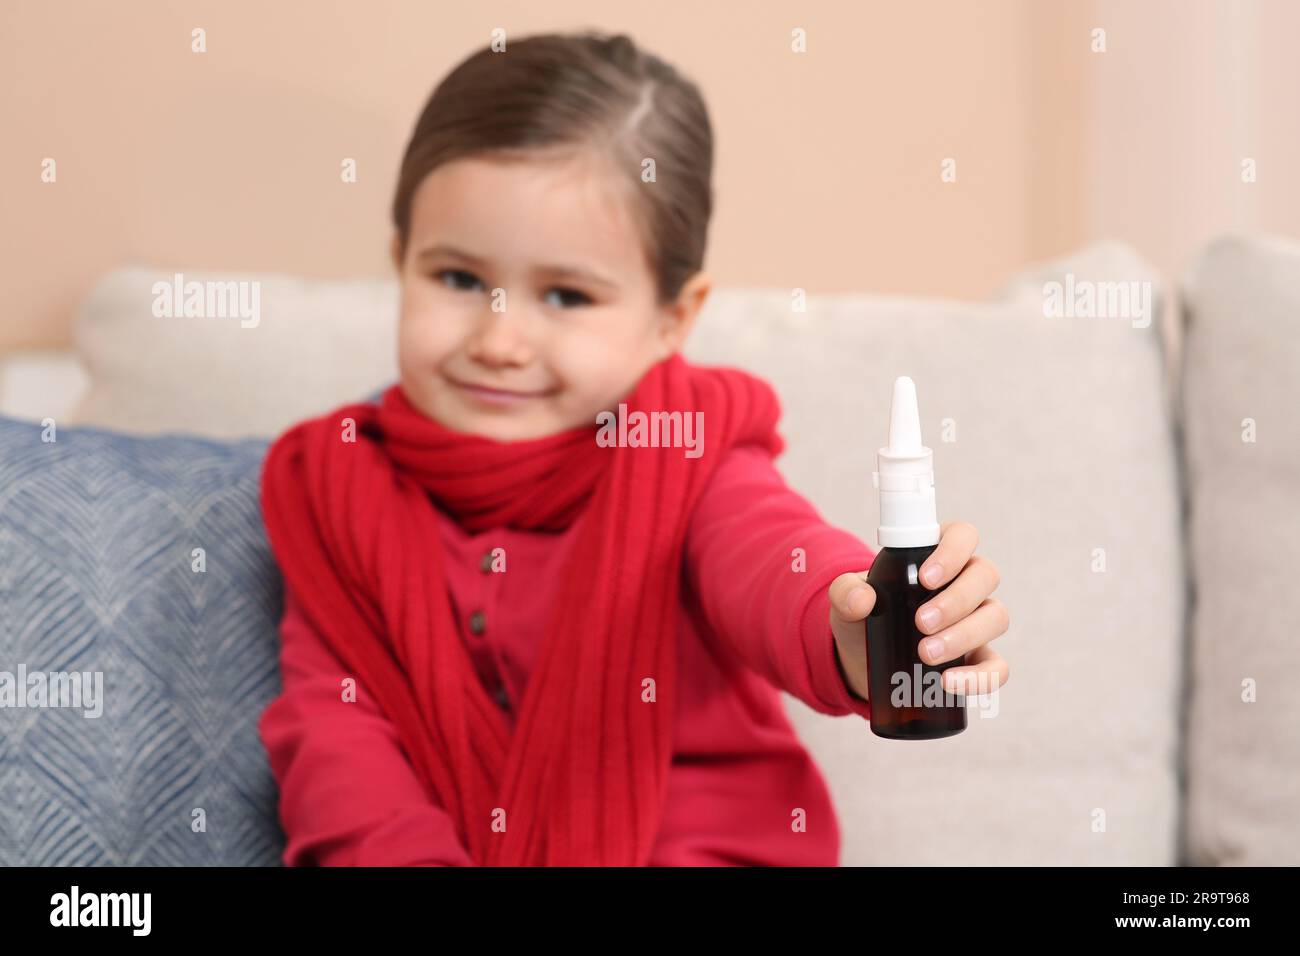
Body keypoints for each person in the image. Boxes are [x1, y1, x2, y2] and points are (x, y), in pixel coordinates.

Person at [257, 30, 1010, 867]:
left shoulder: (684, 451)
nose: (500, 340)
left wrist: (858, 628)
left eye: (567, 295)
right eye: (460, 280)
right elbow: (336, 735)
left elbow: (769, 560)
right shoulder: (336, 489)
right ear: (401, 264)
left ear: (672, 320)